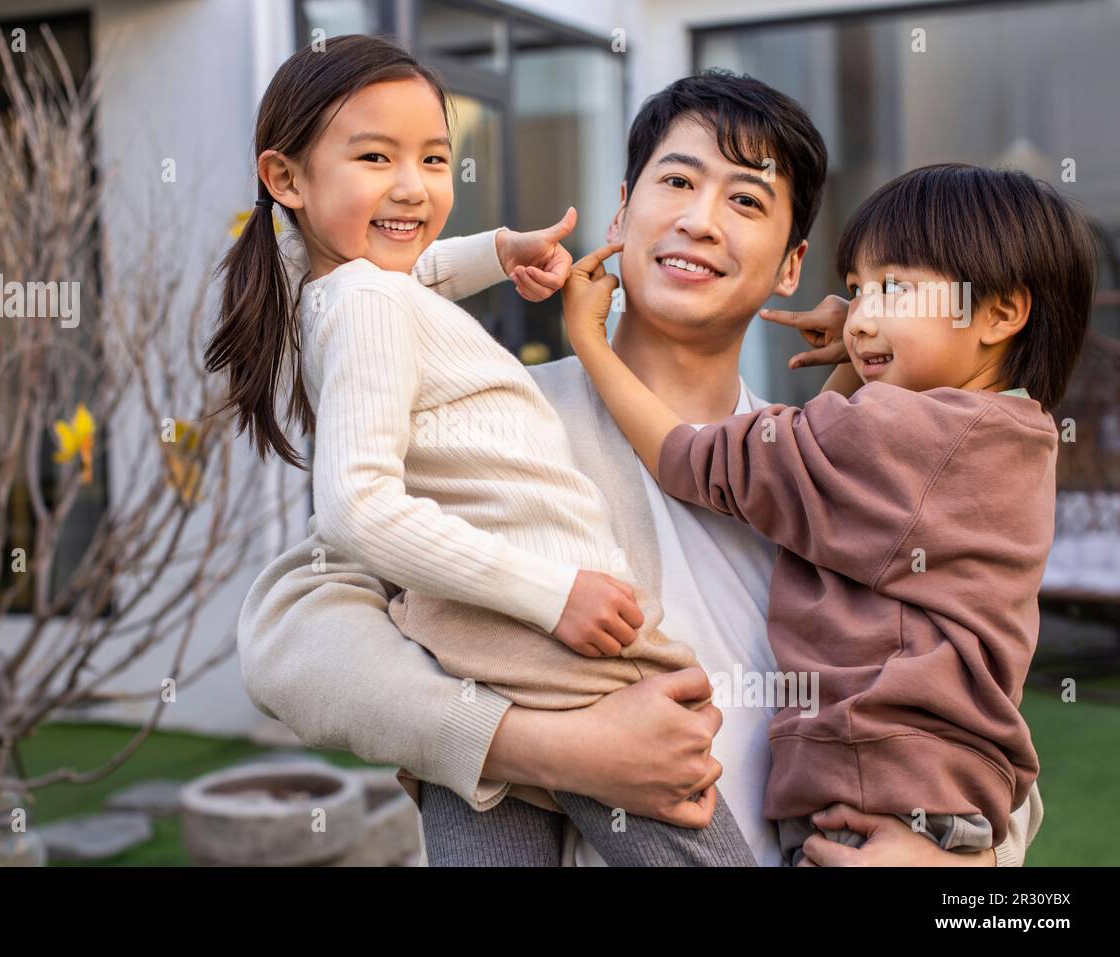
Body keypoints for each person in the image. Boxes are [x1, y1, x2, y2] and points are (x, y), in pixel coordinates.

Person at [238, 70, 1045, 866]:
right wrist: (544, 746)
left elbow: (978, 715)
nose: (700, 220)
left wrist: (969, 868)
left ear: (792, 265)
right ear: (623, 211)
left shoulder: (847, 469)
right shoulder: (494, 423)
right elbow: (291, 634)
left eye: (746, 200)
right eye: (679, 181)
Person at [206, 35, 754, 866]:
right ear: (286, 179)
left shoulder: (345, 290)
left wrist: (492, 252)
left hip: (471, 641)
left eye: (434, 158)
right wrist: (553, 593)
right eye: (375, 156)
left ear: (792, 260)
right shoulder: (368, 306)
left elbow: (400, 273)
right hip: (553, 640)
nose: (414, 186)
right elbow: (355, 510)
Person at [562, 162, 1093, 864]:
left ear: (1000, 312)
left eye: (896, 289)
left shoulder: (896, 433)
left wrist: (590, 343)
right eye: (858, 290)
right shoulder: (1014, 432)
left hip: (864, 804)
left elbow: (692, 461)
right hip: (940, 802)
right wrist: (866, 350)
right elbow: (825, 475)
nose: (864, 314)